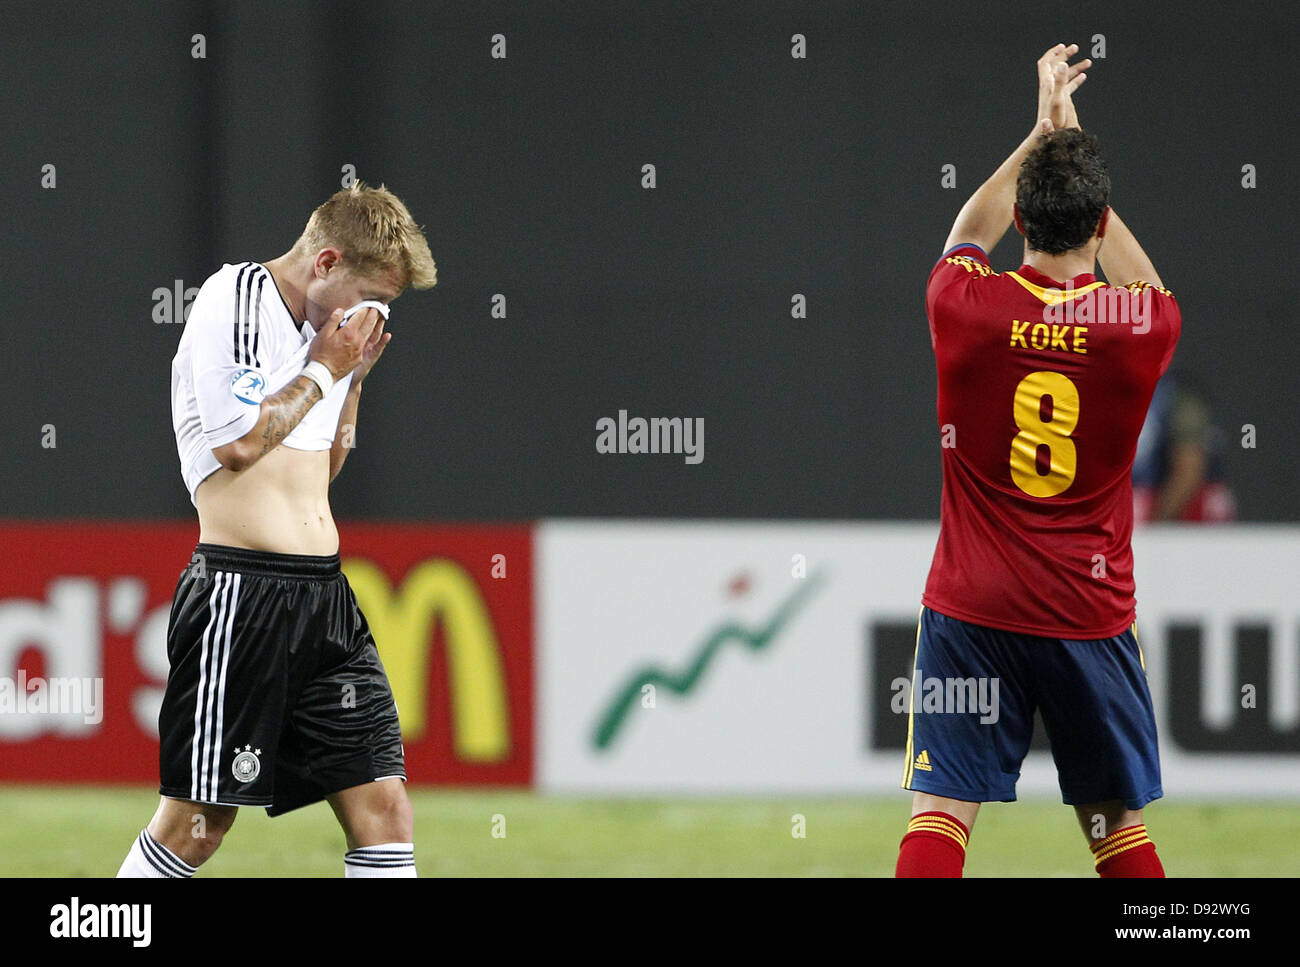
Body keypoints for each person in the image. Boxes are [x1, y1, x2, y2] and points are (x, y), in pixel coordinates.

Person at [896, 45, 1177, 877]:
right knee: (1115, 829)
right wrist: (1072, 142)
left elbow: (966, 233)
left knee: (940, 819)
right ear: (1100, 222)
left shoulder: (966, 308)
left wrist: (1039, 133)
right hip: (1087, 611)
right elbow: (1146, 279)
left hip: (973, 606)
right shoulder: (1141, 329)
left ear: (1024, 218)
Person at [117, 182, 437, 878]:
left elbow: (320, 472)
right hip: (242, 592)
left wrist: (350, 382)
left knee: (385, 807)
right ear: (325, 262)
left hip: (325, 599)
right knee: (196, 826)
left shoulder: (327, 342)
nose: (373, 315)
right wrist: (326, 369)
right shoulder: (233, 298)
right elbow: (237, 443)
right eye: (370, 295)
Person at [1132, 371, 1237, 522]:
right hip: (1129, 504)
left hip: (1178, 514)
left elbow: (1188, 473)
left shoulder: (1176, 397)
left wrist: (1155, 529)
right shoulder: (1101, 388)